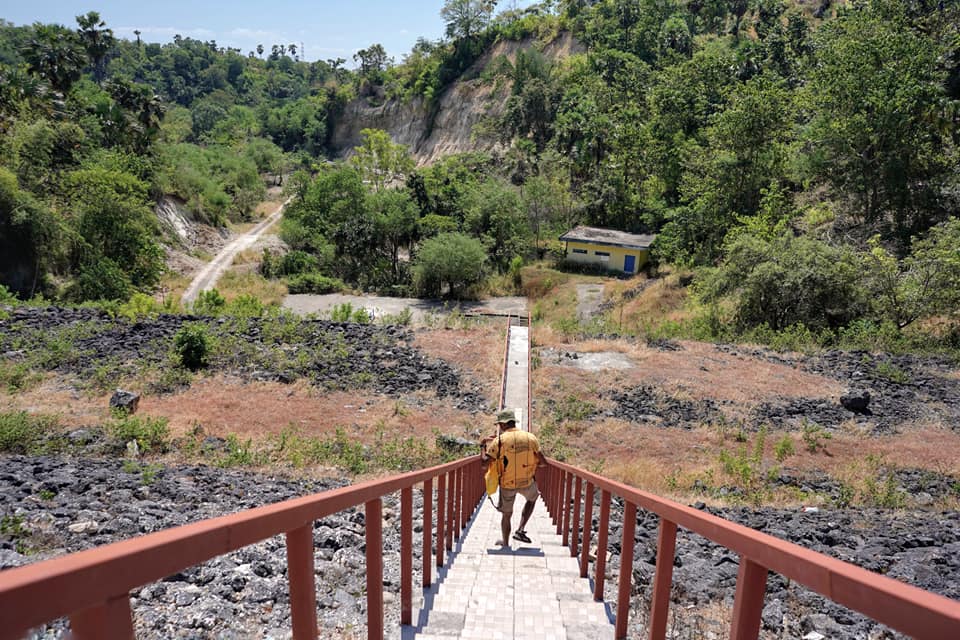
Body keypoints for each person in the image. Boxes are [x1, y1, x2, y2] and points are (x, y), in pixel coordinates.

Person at [481, 409, 543, 547]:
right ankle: (520, 529)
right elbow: (543, 462)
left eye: (499, 425)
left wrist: (483, 446)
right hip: (527, 481)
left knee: (506, 514)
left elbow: (484, 464)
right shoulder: (530, 438)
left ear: (503, 424)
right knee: (532, 499)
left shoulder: (499, 441)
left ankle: (505, 543)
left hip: (507, 483)